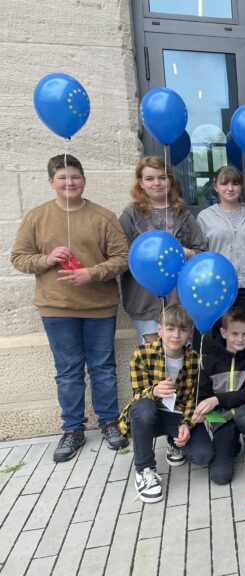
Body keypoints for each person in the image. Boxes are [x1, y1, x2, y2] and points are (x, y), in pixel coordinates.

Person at [11, 154, 129, 463]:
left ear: (84, 180)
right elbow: (19, 257)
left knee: (103, 368)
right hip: (56, 307)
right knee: (68, 371)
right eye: (62, 178)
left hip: (99, 306)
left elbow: (122, 258)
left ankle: (109, 422)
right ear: (51, 182)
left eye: (75, 177)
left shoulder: (103, 217)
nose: (69, 182)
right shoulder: (36, 217)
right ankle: (73, 429)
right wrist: (46, 259)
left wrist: (92, 273)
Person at [118, 305, 214, 503]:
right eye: (170, 329)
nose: (176, 335)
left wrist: (186, 424)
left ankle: (173, 441)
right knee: (144, 407)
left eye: (182, 329)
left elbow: (190, 400)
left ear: (190, 332)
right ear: (159, 330)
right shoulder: (142, 354)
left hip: (176, 415)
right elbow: (138, 396)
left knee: (204, 455)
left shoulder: (195, 360)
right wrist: (153, 391)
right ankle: (144, 470)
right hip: (148, 414)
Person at [120, 156, 207, 344]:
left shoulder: (183, 214)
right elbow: (121, 256)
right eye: (150, 178)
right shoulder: (130, 216)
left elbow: (202, 253)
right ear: (141, 183)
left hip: (180, 301)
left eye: (162, 177)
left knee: (181, 356)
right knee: (152, 361)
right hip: (145, 300)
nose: (157, 183)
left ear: (170, 181)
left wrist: (188, 253)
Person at [197, 165, 245, 350]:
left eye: (235, 183)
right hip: (218, 288)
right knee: (221, 339)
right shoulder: (205, 217)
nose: (230, 188)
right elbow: (201, 255)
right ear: (216, 186)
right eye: (225, 183)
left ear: (241, 187)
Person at [191, 307, 245, 485]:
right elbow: (202, 398)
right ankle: (232, 443)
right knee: (220, 477)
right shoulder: (209, 361)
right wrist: (213, 418)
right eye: (235, 334)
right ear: (223, 333)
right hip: (221, 419)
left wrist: (219, 399)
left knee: (244, 416)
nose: (240, 339)